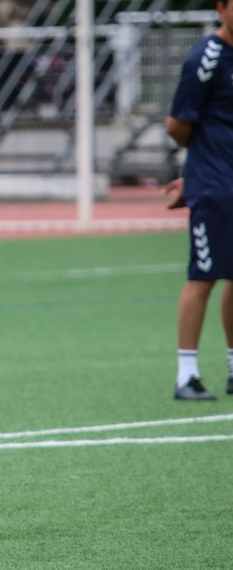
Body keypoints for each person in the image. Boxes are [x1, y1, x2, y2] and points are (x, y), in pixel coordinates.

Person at [164, 0, 233, 400]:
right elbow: (177, 124)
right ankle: (186, 375)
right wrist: (199, 173)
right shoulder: (206, 58)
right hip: (214, 188)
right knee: (203, 275)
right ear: (221, 7)